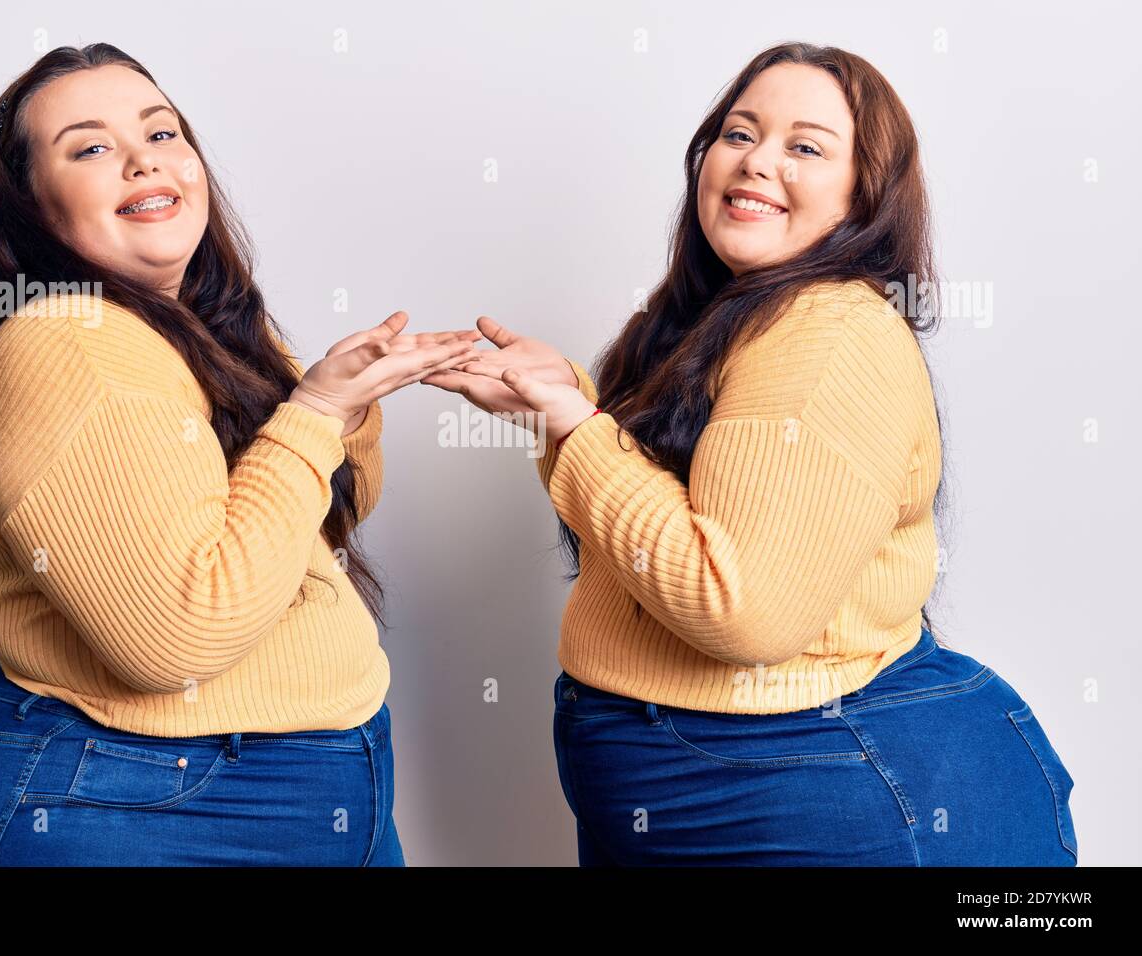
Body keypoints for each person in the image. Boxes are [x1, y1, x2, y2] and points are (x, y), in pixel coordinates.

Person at [425, 41, 1079, 866]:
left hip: (826, 793)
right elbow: (664, 526)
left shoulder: (830, 336)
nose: (757, 161)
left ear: (863, 195)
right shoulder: (719, 318)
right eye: (739, 134)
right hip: (732, 789)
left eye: (805, 147)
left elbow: (744, 610)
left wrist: (577, 424)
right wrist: (564, 412)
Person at [0, 43, 481, 866]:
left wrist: (344, 409)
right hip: (140, 801)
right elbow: (176, 641)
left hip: (304, 786)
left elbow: (299, 538)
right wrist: (313, 412)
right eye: (92, 147)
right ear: (31, 205)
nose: (144, 159)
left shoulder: (208, 333)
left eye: (163, 132)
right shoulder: (63, 341)